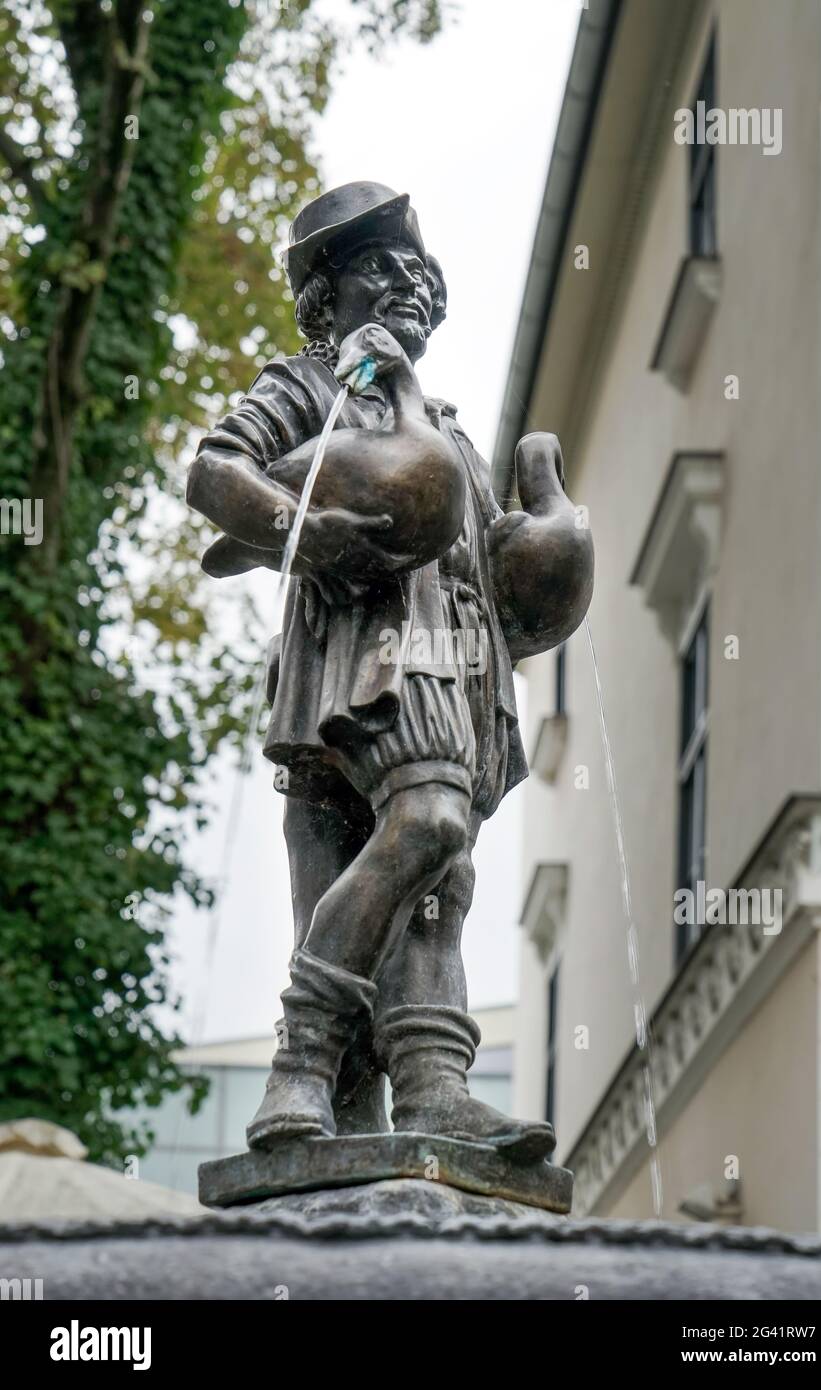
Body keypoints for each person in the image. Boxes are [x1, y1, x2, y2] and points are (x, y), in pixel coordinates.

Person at [187, 182, 594, 1162]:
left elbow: (487, 560)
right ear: (324, 299)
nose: (409, 282)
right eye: (381, 266)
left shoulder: (447, 428)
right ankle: (304, 1056)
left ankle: (416, 1087)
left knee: (429, 880)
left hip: (447, 663)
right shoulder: (314, 387)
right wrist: (292, 527)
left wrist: (540, 549)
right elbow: (213, 468)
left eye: (422, 273)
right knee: (428, 824)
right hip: (362, 656)